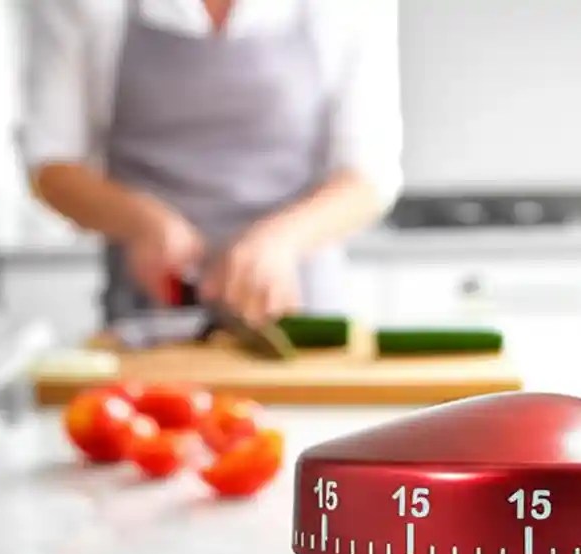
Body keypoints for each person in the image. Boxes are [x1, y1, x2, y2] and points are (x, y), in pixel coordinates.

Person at [23, 0, 402, 326]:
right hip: (149, 323)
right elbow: (52, 165)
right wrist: (142, 221)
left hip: (300, 317)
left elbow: (370, 176)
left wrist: (278, 242)